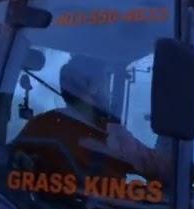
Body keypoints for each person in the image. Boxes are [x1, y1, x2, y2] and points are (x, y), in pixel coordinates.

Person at [14, 54, 171, 182]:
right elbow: (158, 167)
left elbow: (10, 161)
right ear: (92, 87)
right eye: (107, 79)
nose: (109, 91)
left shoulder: (40, 125)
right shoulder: (112, 134)